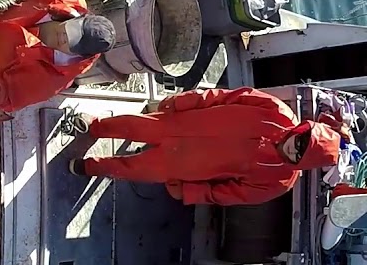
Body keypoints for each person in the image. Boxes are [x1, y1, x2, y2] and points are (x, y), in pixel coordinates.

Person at [67, 87, 342, 206]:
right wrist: (185, 101)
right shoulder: (278, 110)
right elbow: (226, 96)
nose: (296, 146)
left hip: (182, 166)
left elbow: (228, 194)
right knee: (130, 125)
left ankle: (90, 167)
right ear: (304, 128)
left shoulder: (279, 182)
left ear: (304, 165)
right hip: (180, 124)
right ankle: (95, 126)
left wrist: (190, 192)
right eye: (302, 140)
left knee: (131, 168)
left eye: (301, 154)